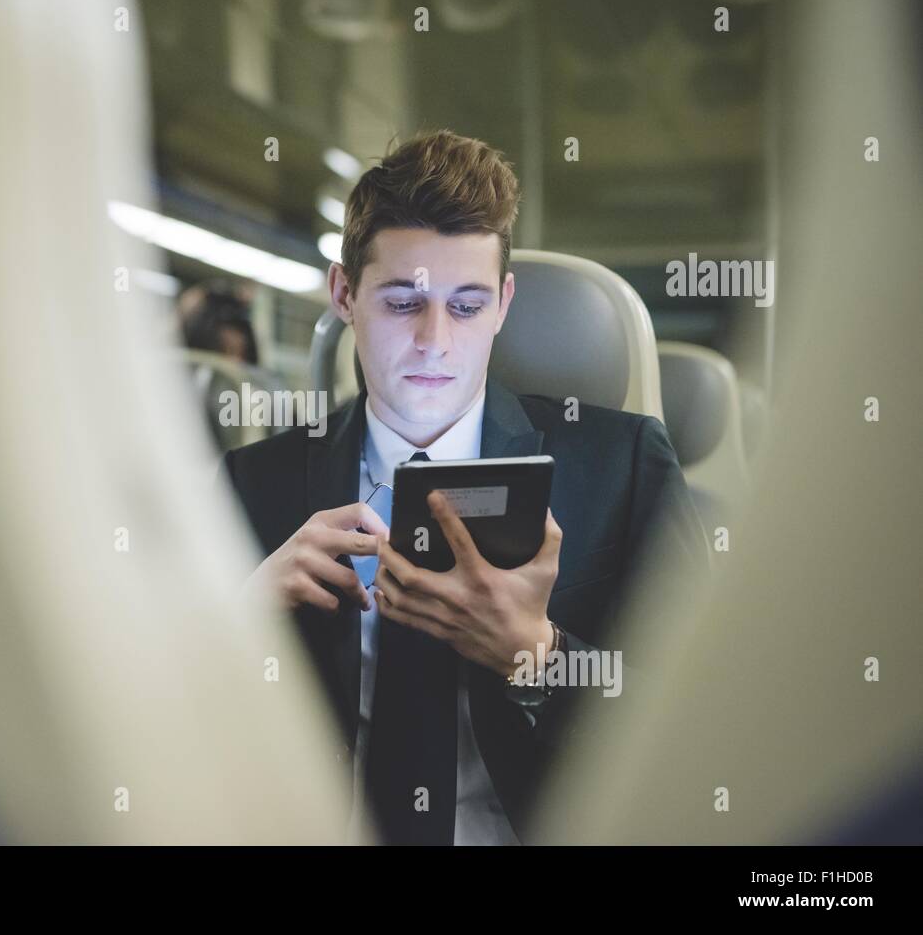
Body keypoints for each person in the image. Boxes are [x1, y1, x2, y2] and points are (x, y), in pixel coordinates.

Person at [223, 129, 708, 845]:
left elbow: (711, 722)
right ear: (344, 293)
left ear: (504, 303)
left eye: (467, 305)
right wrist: (233, 626)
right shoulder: (252, 484)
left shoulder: (621, 466)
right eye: (401, 304)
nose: (434, 341)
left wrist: (540, 655)